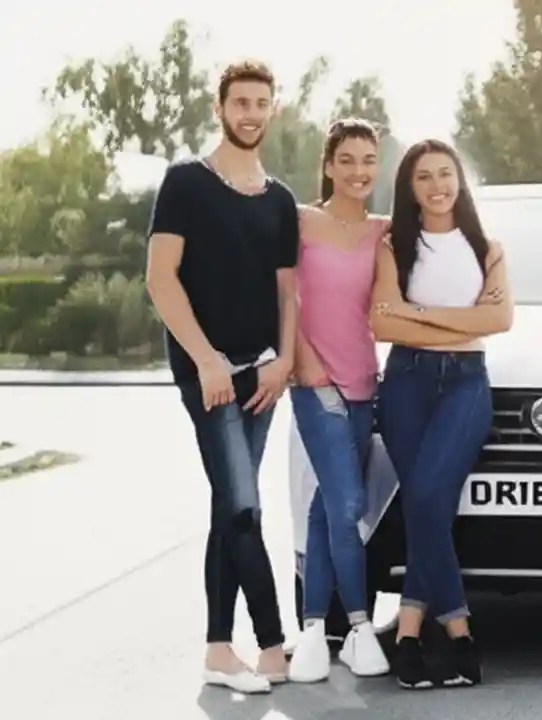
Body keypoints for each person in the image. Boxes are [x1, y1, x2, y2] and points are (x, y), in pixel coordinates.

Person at [144, 59, 298, 694]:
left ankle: (216, 650)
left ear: (272, 109)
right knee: (242, 505)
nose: (251, 113)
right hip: (207, 373)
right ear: (221, 108)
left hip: (262, 374)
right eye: (241, 102)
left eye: (262, 102)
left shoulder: (282, 199)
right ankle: (270, 646)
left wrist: (286, 360)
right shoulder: (185, 183)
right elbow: (161, 278)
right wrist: (206, 359)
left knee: (228, 508)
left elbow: (289, 291)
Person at [369, 138, 513, 689]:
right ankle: (443, 637)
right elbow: (384, 326)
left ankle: (432, 631)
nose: (437, 186)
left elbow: (500, 320)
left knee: (426, 497)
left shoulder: (487, 248)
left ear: (460, 179)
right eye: (424, 176)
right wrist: (461, 320)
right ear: (410, 187)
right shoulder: (393, 246)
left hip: (465, 387)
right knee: (430, 505)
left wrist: (418, 313)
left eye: (445, 173)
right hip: (406, 383)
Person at [285, 118, 391, 683]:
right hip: (314, 381)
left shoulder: (384, 231)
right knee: (348, 504)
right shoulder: (301, 222)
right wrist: (302, 359)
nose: (358, 172)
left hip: (364, 384)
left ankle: (312, 630)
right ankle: (354, 625)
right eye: (347, 160)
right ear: (328, 165)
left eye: (368, 160)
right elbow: (282, 297)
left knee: (328, 502)